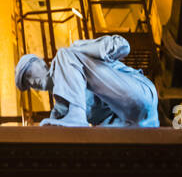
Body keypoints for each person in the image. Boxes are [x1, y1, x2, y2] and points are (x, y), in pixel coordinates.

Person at [14, 33, 159, 127]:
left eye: (28, 75)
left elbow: (123, 45)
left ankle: (77, 115)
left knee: (64, 54)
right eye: (28, 84)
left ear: (40, 62)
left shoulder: (71, 56)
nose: (32, 82)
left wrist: (103, 50)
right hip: (135, 125)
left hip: (139, 95)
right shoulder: (60, 111)